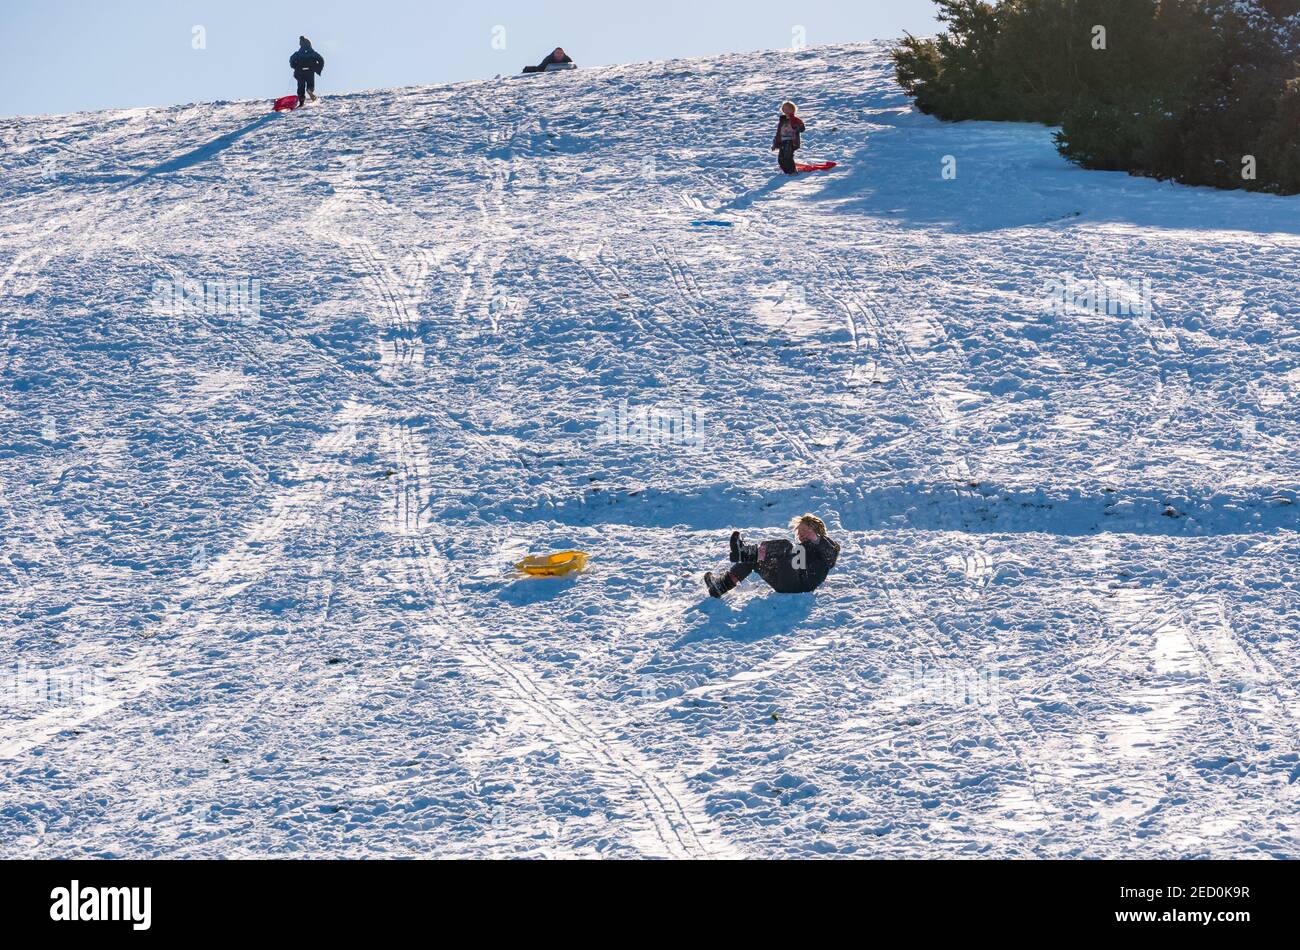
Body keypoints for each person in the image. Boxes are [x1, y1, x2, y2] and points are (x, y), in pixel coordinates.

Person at [705, 514, 840, 598]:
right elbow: (793, 563)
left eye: (805, 530)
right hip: (786, 583)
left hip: (802, 584)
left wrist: (816, 539)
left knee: (785, 546)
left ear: (817, 531)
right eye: (799, 532)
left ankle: (746, 552)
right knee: (755, 560)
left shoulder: (828, 545)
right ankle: (721, 586)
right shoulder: (800, 550)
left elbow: (830, 558)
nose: (801, 534)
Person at [771, 101, 806, 175]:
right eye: (784, 109)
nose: (786, 111)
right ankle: (786, 171)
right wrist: (775, 143)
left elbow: (802, 128)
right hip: (783, 141)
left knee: (788, 156)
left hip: (791, 141)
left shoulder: (796, 119)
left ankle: (792, 171)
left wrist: (797, 127)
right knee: (780, 159)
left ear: (793, 110)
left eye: (788, 109)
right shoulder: (782, 120)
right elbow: (778, 133)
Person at [290, 36, 325, 107]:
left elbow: (291, 60)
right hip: (310, 71)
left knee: (301, 86)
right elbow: (321, 60)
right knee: (310, 84)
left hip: (300, 72)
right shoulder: (313, 53)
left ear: (301, 44)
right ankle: (310, 90)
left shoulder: (298, 53)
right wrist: (318, 68)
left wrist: (295, 67)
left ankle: (301, 102)